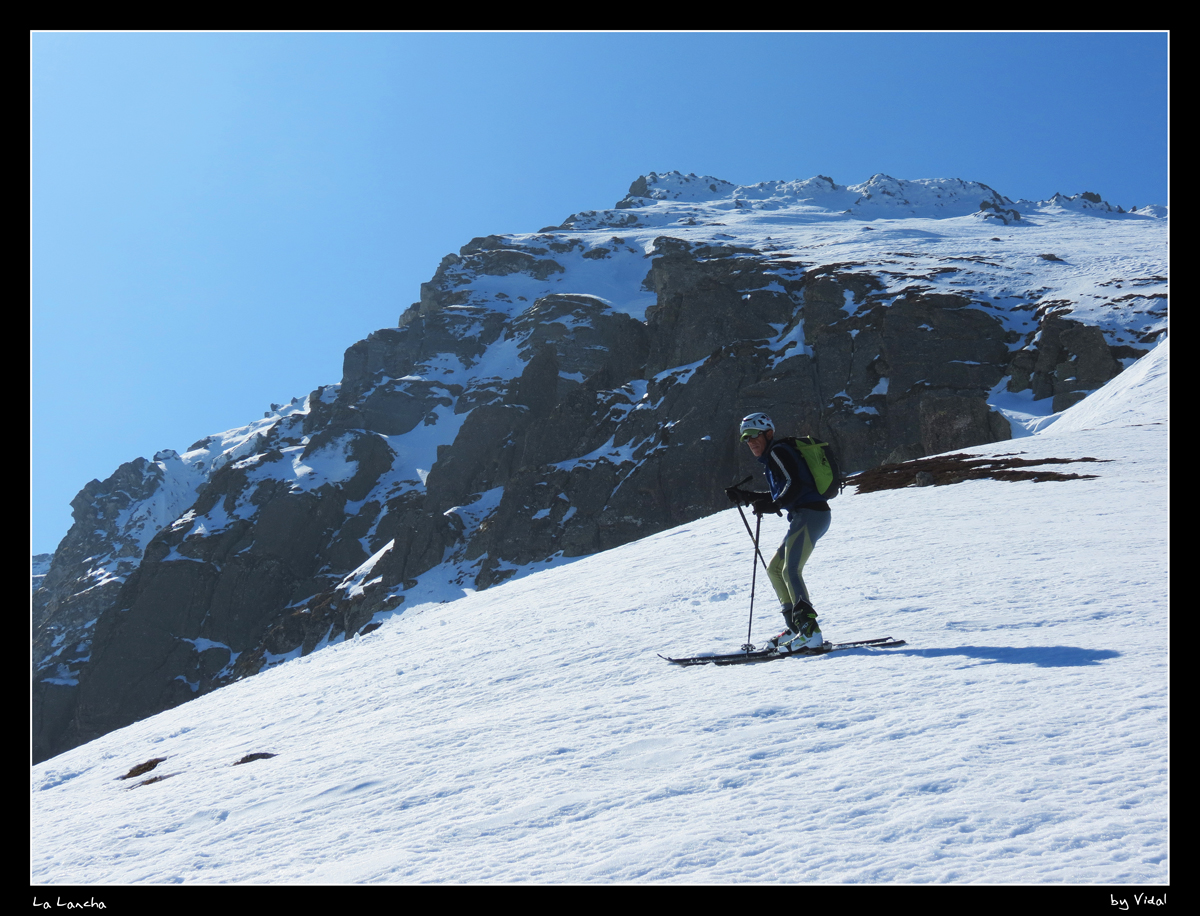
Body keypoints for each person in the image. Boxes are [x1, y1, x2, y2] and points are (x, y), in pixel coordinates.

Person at [725, 412, 831, 650]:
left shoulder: (777, 452)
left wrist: (771, 504)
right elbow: (782, 494)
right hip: (806, 515)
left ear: (769, 433)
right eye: (746, 438)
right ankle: (795, 627)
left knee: (790, 569)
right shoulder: (774, 456)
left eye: (754, 435)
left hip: (811, 514)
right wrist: (748, 496)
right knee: (775, 569)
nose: (750, 441)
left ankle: (810, 632)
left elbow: (793, 486)